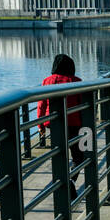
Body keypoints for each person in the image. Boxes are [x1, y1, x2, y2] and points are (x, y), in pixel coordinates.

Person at [37, 53, 84, 198]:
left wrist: (40, 125)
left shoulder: (47, 81)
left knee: (59, 155)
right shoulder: (77, 81)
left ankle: (62, 185)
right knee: (78, 156)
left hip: (54, 124)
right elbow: (83, 104)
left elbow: (41, 104)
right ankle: (70, 180)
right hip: (74, 124)